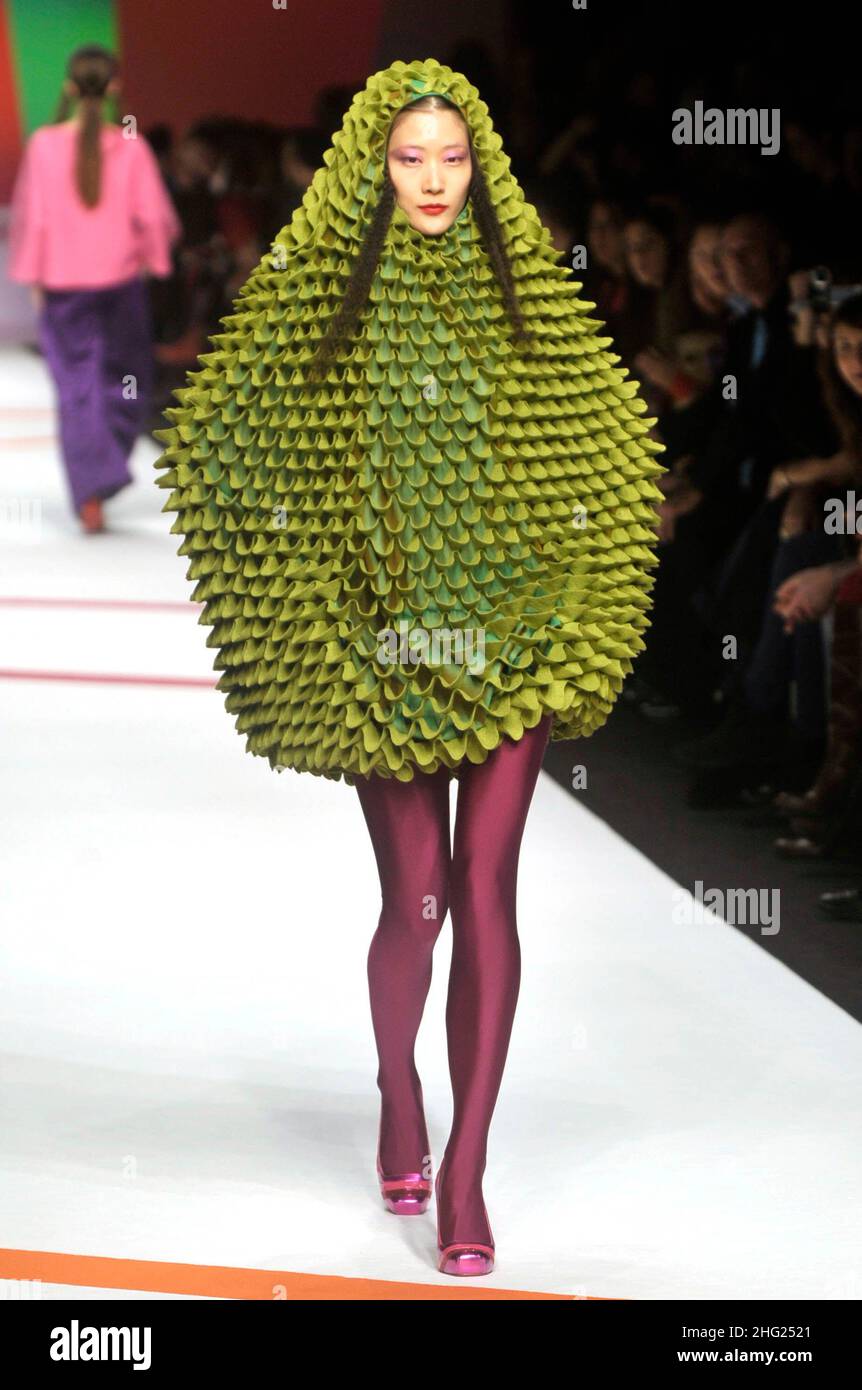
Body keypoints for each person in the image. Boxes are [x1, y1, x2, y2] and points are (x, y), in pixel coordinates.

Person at [152, 59, 665, 1277]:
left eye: (452, 160)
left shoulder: (524, 290)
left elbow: (611, 445)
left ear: (478, 167)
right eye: (408, 159)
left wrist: (572, 592)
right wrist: (308, 597)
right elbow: (214, 440)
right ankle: (399, 1093)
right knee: (418, 901)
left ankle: (469, 1164)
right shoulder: (319, 290)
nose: (433, 180)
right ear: (370, 171)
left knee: (487, 888)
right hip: (383, 651)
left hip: (510, 636)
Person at [6, 44, 180, 532]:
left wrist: (36, 276)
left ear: (67, 86)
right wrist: (153, 261)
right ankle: (99, 477)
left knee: (77, 384)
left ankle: (91, 484)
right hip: (120, 284)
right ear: (115, 88)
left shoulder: (43, 145)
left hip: (65, 287)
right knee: (127, 381)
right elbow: (152, 216)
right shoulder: (131, 145)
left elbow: (32, 216)